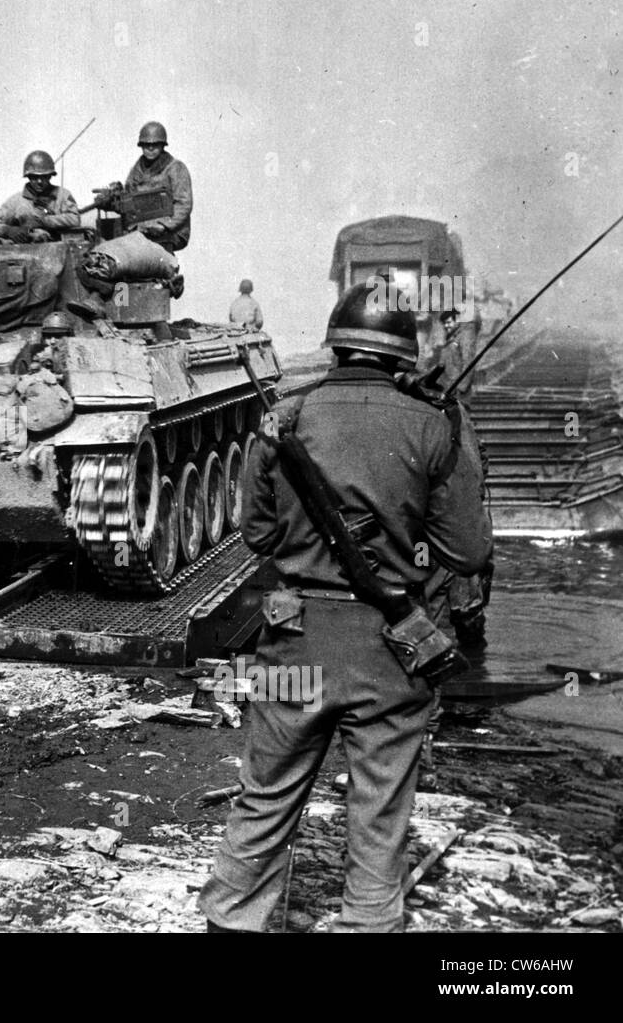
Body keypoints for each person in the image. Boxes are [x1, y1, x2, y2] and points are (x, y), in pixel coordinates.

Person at [197, 282, 490, 933]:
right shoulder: (430, 422)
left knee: (264, 797)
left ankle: (233, 919)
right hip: (392, 650)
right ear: (403, 356)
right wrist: (452, 428)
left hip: (292, 643)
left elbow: (258, 535)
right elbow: (468, 552)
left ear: (336, 345)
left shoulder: (286, 416)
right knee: (380, 813)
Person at [94, 121, 194, 252]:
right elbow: (129, 202)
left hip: (170, 231)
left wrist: (165, 225)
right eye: (146, 145)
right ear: (141, 146)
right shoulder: (136, 171)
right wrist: (110, 202)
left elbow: (184, 204)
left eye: (155, 145)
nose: (150, 148)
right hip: (142, 229)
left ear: (163, 145)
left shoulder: (175, 168)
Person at [0, 152, 81, 241]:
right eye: (34, 177)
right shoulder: (16, 201)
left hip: (58, 245)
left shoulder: (62, 195)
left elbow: (74, 219)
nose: (39, 181)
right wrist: (8, 230)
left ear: (50, 176)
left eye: (44, 177)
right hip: (26, 247)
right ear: (28, 177)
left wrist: (43, 221)